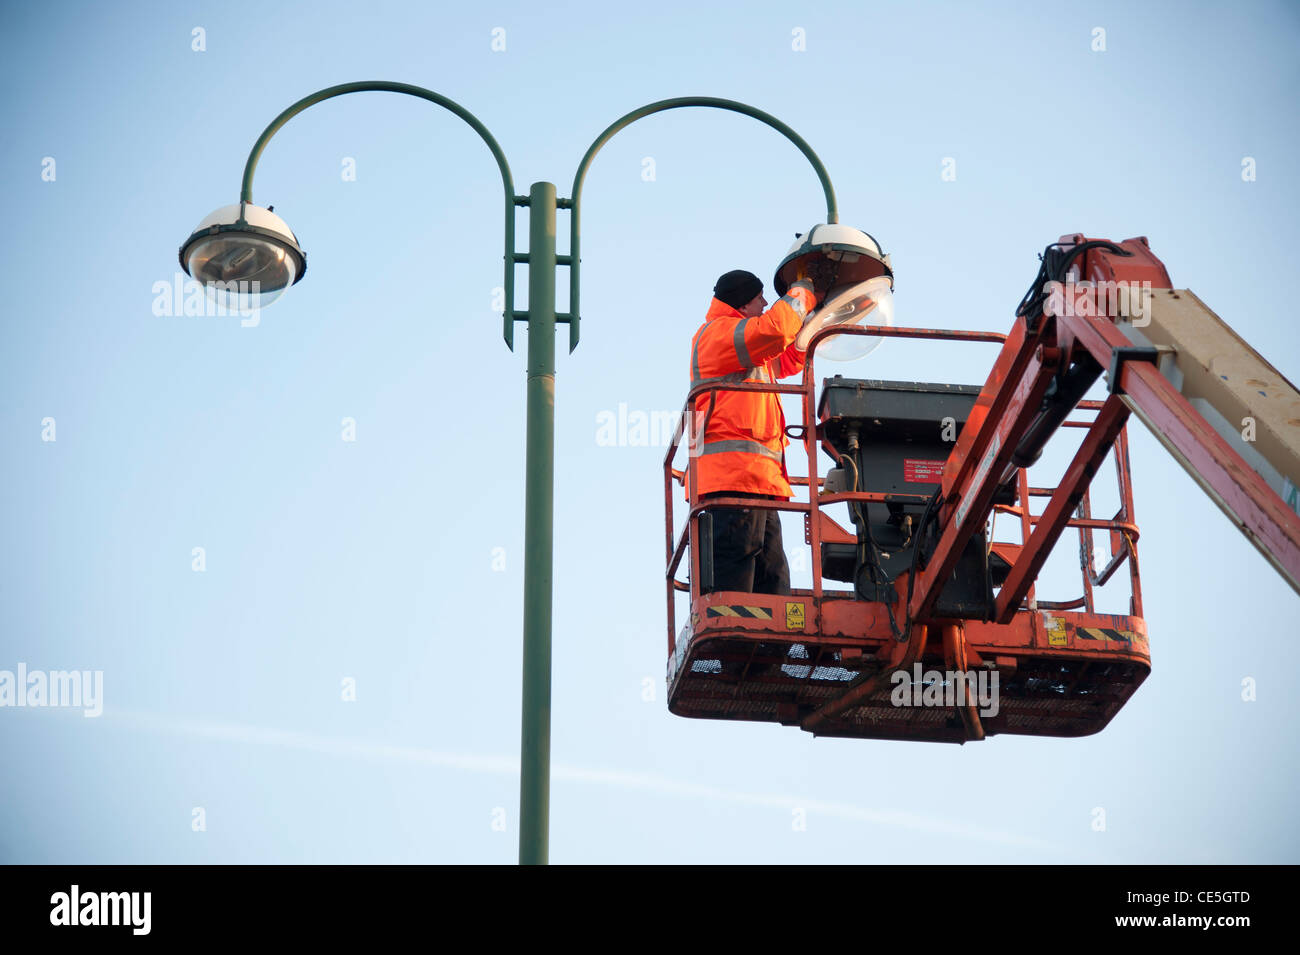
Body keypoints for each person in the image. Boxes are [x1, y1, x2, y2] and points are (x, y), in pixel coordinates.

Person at [689, 268, 824, 595]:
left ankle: (772, 644)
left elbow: (788, 357)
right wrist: (802, 291)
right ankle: (735, 637)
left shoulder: (745, 347)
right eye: (759, 297)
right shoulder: (717, 334)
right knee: (737, 584)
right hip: (731, 480)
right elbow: (775, 331)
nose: (766, 302)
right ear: (743, 303)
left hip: (756, 482)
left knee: (772, 580)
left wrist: (816, 321)